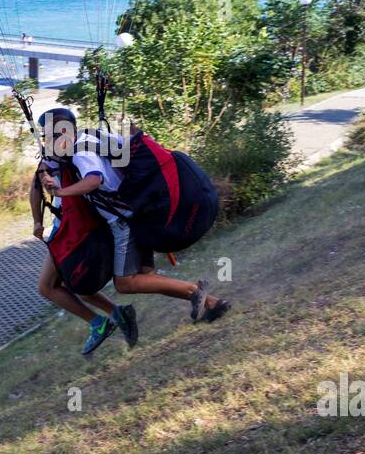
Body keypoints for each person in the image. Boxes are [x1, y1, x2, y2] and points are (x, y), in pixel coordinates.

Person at [38, 107, 230, 331]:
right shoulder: (91, 135)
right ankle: (210, 301)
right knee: (146, 276)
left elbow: (94, 180)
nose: (46, 142)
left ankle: (201, 295)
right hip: (139, 213)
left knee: (126, 283)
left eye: (48, 136)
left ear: (61, 134)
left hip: (124, 223)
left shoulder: (82, 153)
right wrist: (45, 172)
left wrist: (61, 192)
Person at [30, 126, 134, 357]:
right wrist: (38, 220)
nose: (51, 141)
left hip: (75, 228)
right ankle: (117, 314)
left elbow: (93, 180)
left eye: (52, 136)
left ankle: (100, 323)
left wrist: (57, 195)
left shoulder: (74, 154)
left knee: (48, 286)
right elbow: (36, 185)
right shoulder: (67, 151)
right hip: (89, 223)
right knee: (74, 283)